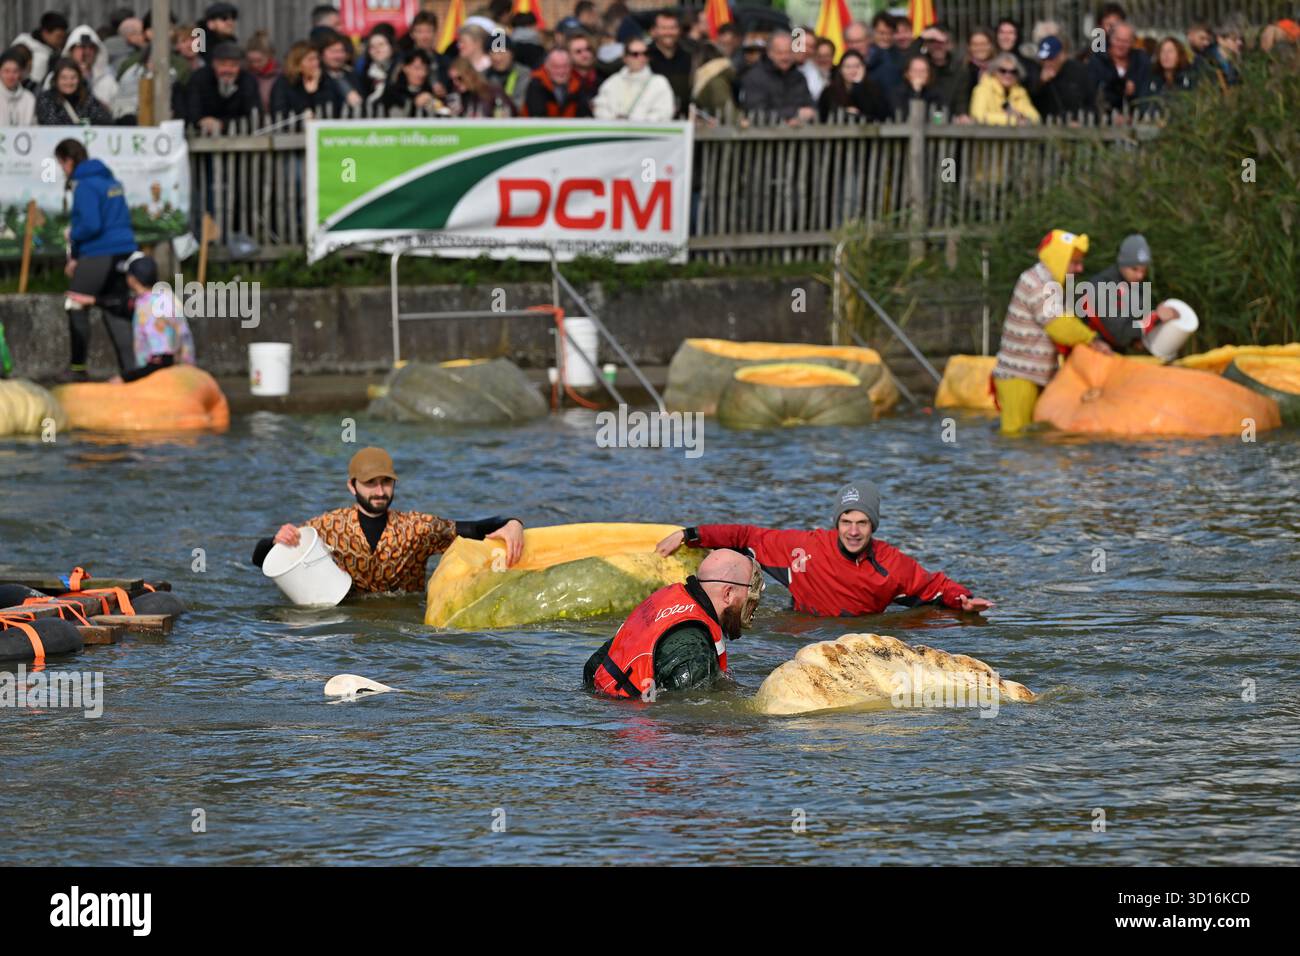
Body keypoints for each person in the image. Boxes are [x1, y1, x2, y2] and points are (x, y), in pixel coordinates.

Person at [656, 480, 993, 617]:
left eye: (862, 523)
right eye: (846, 521)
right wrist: (690, 534)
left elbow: (935, 587)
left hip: (858, 644)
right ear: (837, 522)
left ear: (873, 525)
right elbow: (745, 535)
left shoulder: (892, 565)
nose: (853, 531)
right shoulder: (804, 548)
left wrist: (962, 600)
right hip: (802, 630)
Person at [252, 447, 526, 595]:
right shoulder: (327, 527)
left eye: (386, 482)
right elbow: (261, 557)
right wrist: (278, 540)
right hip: (348, 624)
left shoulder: (418, 528)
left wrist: (512, 522)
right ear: (352, 486)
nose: (380, 491)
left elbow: (475, 528)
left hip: (402, 619)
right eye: (370, 483)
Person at [584, 548, 762, 700]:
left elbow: (593, 666)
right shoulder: (694, 646)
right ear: (728, 594)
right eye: (750, 594)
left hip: (605, 702)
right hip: (632, 727)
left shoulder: (666, 604)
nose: (754, 604)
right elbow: (687, 717)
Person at [991, 229, 1112, 435]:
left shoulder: (1049, 282)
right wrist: (1092, 339)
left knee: (1029, 437)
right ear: (1059, 258)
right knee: (1015, 437)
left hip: (1032, 375)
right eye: (1075, 263)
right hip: (1019, 377)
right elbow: (1059, 326)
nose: (1080, 268)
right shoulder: (1038, 283)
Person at [54, 138, 138, 382]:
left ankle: (78, 369)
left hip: (100, 253)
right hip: (124, 253)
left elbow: (91, 225)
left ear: (68, 161)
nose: (63, 171)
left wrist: (72, 234)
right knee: (115, 308)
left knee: (75, 304)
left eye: (61, 164)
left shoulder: (86, 186)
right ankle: (131, 372)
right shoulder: (111, 181)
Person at [67, 254, 195, 382]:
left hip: (168, 383)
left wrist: (124, 379)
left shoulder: (152, 311)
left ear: (132, 279)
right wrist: (93, 300)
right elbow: (124, 306)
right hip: (182, 377)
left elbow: (162, 361)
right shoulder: (162, 296)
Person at [1079, 234, 1178, 352]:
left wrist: (1137, 339)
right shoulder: (1100, 288)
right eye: (1135, 269)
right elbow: (1121, 335)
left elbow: (1135, 325)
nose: (1140, 275)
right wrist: (1156, 317)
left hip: (1113, 355)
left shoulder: (1135, 285)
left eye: (1144, 270)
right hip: (1089, 354)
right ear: (1122, 264)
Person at [740, 32, 816, 123]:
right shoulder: (754, 77)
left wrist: (803, 116)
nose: (785, 57)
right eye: (780, 53)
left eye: (789, 52)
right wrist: (792, 115)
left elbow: (810, 107)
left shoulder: (799, 77)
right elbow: (756, 112)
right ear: (769, 53)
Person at [592, 37, 674, 121]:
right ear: (625, 58)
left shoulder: (659, 83)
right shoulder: (612, 82)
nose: (641, 57)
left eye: (645, 53)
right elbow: (600, 108)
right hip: (614, 132)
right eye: (635, 54)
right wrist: (615, 120)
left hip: (647, 132)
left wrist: (635, 122)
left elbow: (664, 113)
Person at [185, 42, 259, 132]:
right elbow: (191, 111)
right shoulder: (199, 79)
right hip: (202, 136)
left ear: (239, 66)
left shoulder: (248, 81)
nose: (227, 70)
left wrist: (222, 124)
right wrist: (201, 121)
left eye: (233, 65)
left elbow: (254, 117)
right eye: (223, 64)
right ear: (214, 64)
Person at [269, 40, 344, 117]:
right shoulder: (284, 83)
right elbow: (280, 112)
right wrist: (307, 96)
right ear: (297, 63)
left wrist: (314, 93)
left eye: (317, 59)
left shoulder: (325, 80)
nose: (316, 63)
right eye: (310, 60)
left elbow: (332, 109)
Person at [1088, 20, 1150, 114]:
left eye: (1126, 42)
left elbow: (1145, 90)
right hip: (1104, 115)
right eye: (1117, 40)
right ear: (1110, 39)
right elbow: (1093, 92)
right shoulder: (1098, 60)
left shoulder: (1141, 60)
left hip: (1135, 115)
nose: (1121, 45)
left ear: (1132, 42)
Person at [56, 25, 119, 117]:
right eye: (81, 47)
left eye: (91, 47)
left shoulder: (108, 80)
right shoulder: (57, 78)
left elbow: (116, 111)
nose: (86, 52)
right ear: (71, 50)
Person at [1030, 35, 1096, 120]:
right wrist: (1040, 83)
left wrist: (1080, 120)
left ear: (1062, 56)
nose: (1047, 63)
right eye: (1043, 59)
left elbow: (1091, 104)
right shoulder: (1035, 72)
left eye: (1051, 58)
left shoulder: (1079, 72)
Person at [36, 57, 113, 125]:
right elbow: (50, 123)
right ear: (56, 80)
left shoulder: (86, 98)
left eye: (73, 77)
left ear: (79, 79)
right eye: (64, 78)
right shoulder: (46, 99)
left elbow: (105, 119)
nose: (69, 82)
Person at [969, 52, 1039, 126]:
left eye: (1013, 72)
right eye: (1003, 71)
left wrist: (1022, 117)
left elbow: (1035, 117)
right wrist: (1013, 120)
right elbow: (978, 117)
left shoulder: (1020, 92)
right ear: (994, 71)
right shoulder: (982, 89)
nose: (1008, 75)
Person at [818, 50, 887, 122]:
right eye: (848, 67)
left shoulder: (874, 90)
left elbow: (879, 115)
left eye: (857, 66)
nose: (852, 70)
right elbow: (826, 115)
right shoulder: (829, 92)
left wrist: (858, 85)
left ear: (864, 68)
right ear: (841, 70)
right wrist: (846, 113)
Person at [919, 23, 971, 118]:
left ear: (949, 44)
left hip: (950, 123)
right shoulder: (920, 67)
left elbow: (961, 102)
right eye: (933, 41)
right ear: (926, 44)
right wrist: (921, 37)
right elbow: (905, 61)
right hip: (922, 121)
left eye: (942, 42)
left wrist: (962, 115)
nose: (938, 46)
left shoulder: (959, 71)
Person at [522, 49, 592, 118]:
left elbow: (585, 115)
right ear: (546, 67)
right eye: (556, 67)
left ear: (571, 67)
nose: (561, 71)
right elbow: (537, 116)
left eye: (565, 66)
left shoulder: (577, 85)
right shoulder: (536, 83)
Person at [647, 10, 692, 117]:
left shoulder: (689, 56)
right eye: (663, 28)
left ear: (679, 30)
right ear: (654, 31)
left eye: (672, 28)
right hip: (652, 119)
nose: (668, 32)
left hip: (683, 119)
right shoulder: (644, 56)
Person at [11, 12, 69, 86]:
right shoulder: (41, 58)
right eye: (58, 37)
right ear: (45, 33)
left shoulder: (22, 38)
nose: (61, 41)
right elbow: (34, 86)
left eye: (63, 37)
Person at [380, 49, 443, 116]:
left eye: (425, 69)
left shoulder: (430, 91)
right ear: (405, 68)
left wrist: (437, 100)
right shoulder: (393, 92)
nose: (422, 73)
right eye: (417, 68)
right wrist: (415, 104)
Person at [1138, 36, 1193, 110]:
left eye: (1170, 51)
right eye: (1162, 51)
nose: (1166, 55)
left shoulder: (1189, 78)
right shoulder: (1151, 77)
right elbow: (1143, 102)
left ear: (1179, 55)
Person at [447, 57, 513, 117]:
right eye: (452, 80)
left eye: (459, 78)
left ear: (469, 74)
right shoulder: (457, 96)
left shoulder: (494, 92)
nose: (455, 83)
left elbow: (509, 115)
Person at [889, 53, 944, 118]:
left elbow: (939, 115)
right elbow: (900, 115)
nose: (919, 74)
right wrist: (916, 93)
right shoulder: (897, 93)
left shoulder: (936, 93)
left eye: (923, 71)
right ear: (907, 74)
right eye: (915, 71)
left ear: (928, 74)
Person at [485, 37, 531, 111]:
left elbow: (519, 104)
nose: (497, 58)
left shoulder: (523, 74)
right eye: (493, 52)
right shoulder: (484, 75)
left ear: (512, 54)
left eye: (501, 52)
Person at [246, 31, 284, 113]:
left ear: (269, 56)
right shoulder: (246, 76)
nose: (255, 65)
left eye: (259, 61)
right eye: (251, 61)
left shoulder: (280, 75)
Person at [866, 13, 901, 96]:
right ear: (873, 31)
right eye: (881, 33)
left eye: (890, 33)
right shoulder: (866, 53)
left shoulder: (899, 55)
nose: (886, 37)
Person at [0, 49, 37, 125]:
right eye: (6, 71)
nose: (11, 76)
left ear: (21, 73)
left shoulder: (29, 98)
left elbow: (34, 128)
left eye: (15, 71)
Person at [995, 17, 1037, 82]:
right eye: (1002, 32)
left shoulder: (1029, 67)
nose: (1006, 37)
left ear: (1017, 36)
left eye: (1010, 33)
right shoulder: (989, 61)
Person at [801, 37, 835, 102]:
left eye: (827, 55)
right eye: (819, 56)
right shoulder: (805, 76)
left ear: (832, 57)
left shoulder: (839, 75)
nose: (823, 59)